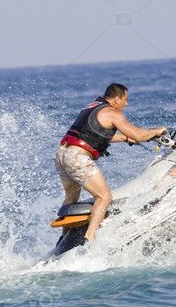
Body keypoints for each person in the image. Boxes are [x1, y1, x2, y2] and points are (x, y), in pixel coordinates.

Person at [55, 83, 166, 243]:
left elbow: (93, 135)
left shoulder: (93, 106)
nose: (126, 104)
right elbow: (138, 135)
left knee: (72, 196)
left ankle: (63, 240)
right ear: (116, 99)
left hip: (62, 154)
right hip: (77, 157)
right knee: (104, 197)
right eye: (125, 100)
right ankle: (90, 240)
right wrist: (156, 131)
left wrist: (124, 138)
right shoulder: (112, 113)